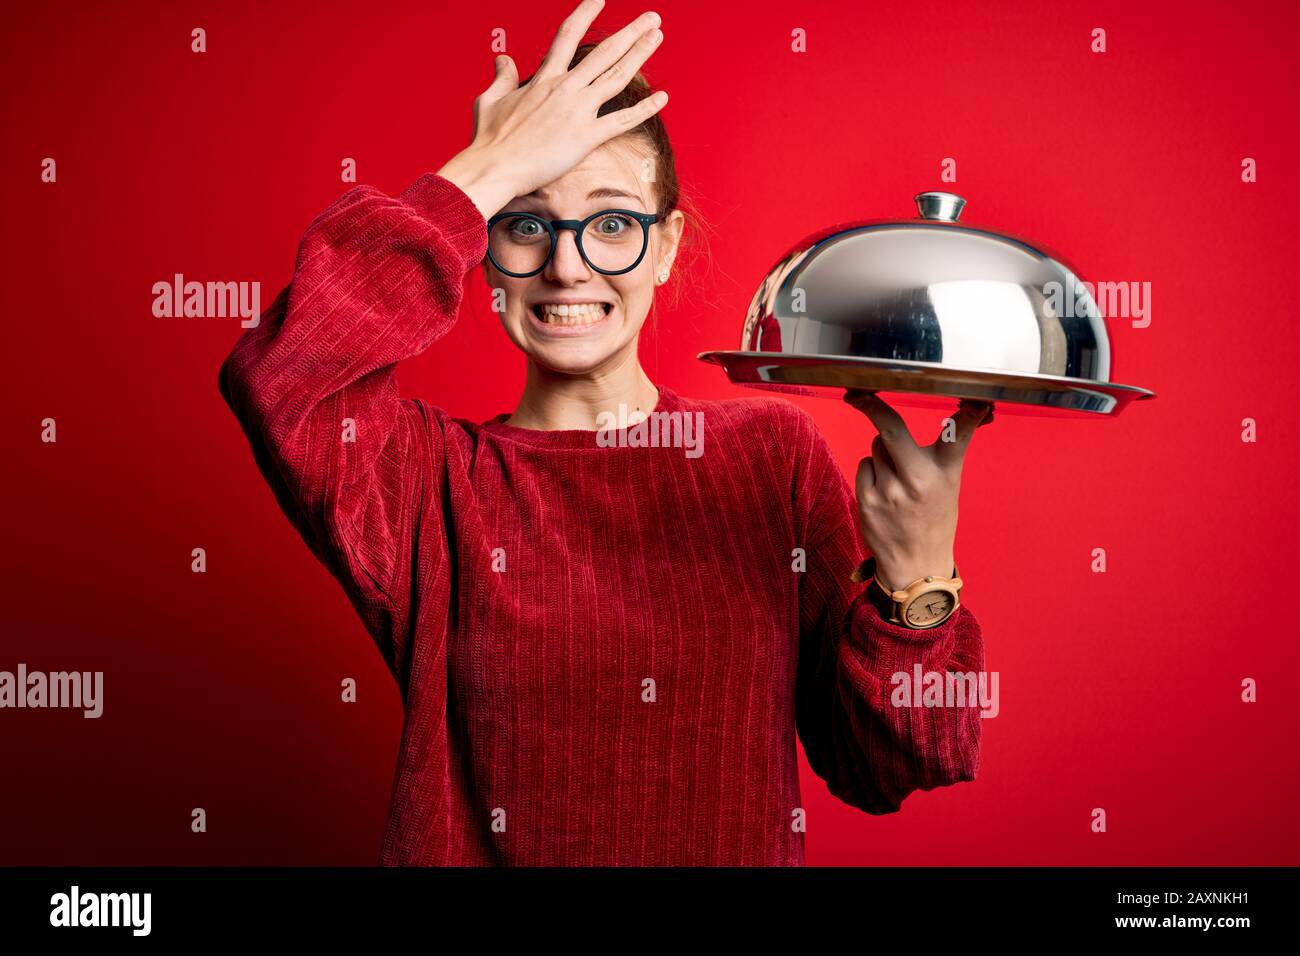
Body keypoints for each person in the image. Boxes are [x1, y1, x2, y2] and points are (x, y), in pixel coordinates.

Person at [218, 0, 992, 866]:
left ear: (667, 249)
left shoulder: (768, 460)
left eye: (613, 222)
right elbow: (284, 372)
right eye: (525, 221)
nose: (568, 264)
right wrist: (487, 168)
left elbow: (891, 765)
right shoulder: (425, 483)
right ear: (483, 248)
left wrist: (919, 579)